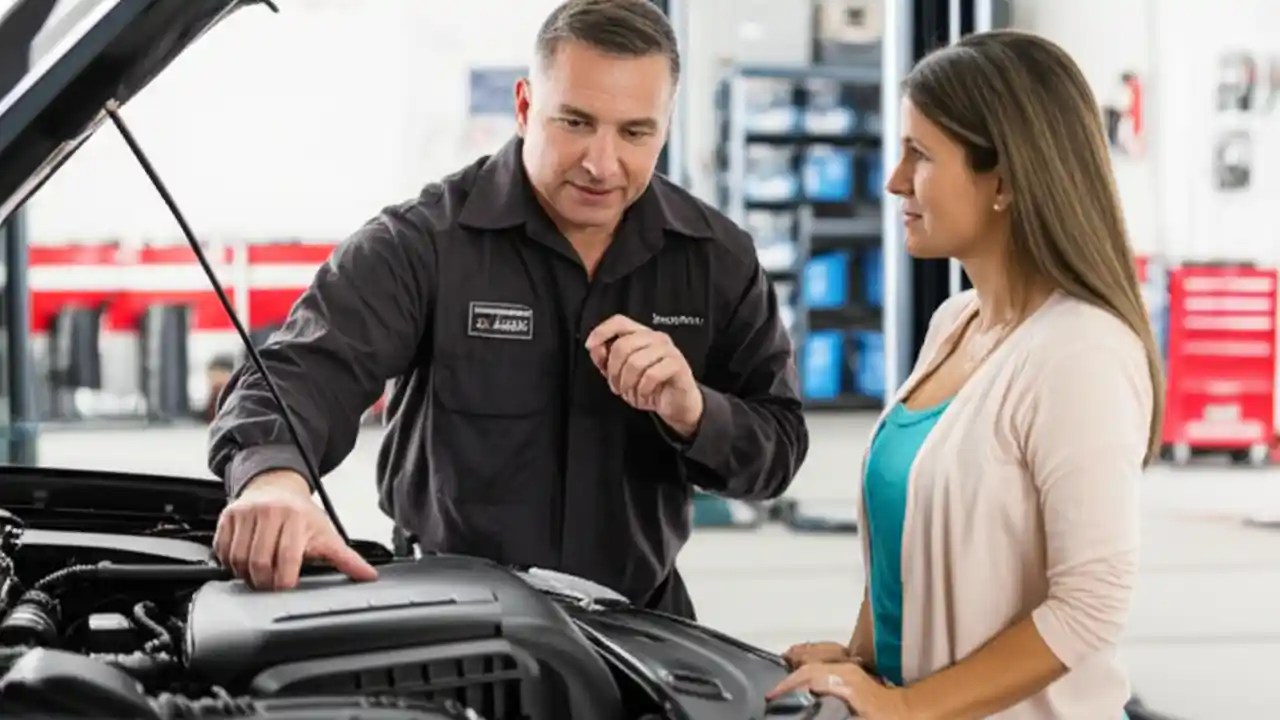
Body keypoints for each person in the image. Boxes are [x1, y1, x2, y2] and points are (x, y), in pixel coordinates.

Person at [204, 0, 808, 620]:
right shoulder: (424, 243)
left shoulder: (715, 259)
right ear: (524, 106)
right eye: (574, 122)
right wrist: (273, 482)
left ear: (666, 124)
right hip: (454, 624)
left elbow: (779, 448)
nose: (602, 164)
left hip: (639, 627)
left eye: (634, 132)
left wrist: (694, 411)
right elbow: (300, 373)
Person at [768, 30, 1162, 719]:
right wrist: (861, 659)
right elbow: (910, 534)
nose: (893, 180)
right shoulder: (956, 322)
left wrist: (907, 707)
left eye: (919, 154)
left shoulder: (1081, 354)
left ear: (1004, 180)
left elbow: (1089, 606)